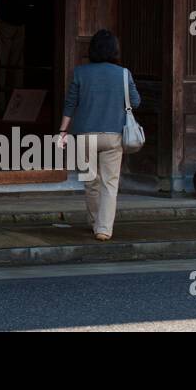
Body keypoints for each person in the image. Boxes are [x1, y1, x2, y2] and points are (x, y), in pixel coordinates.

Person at [59, 29, 140, 241]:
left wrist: (62, 131)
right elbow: (136, 101)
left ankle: (95, 220)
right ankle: (104, 229)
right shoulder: (123, 74)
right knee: (109, 183)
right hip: (113, 135)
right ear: (115, 50)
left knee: (90, 181)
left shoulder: (80, 73)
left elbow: (70, 105)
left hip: (84, 135)